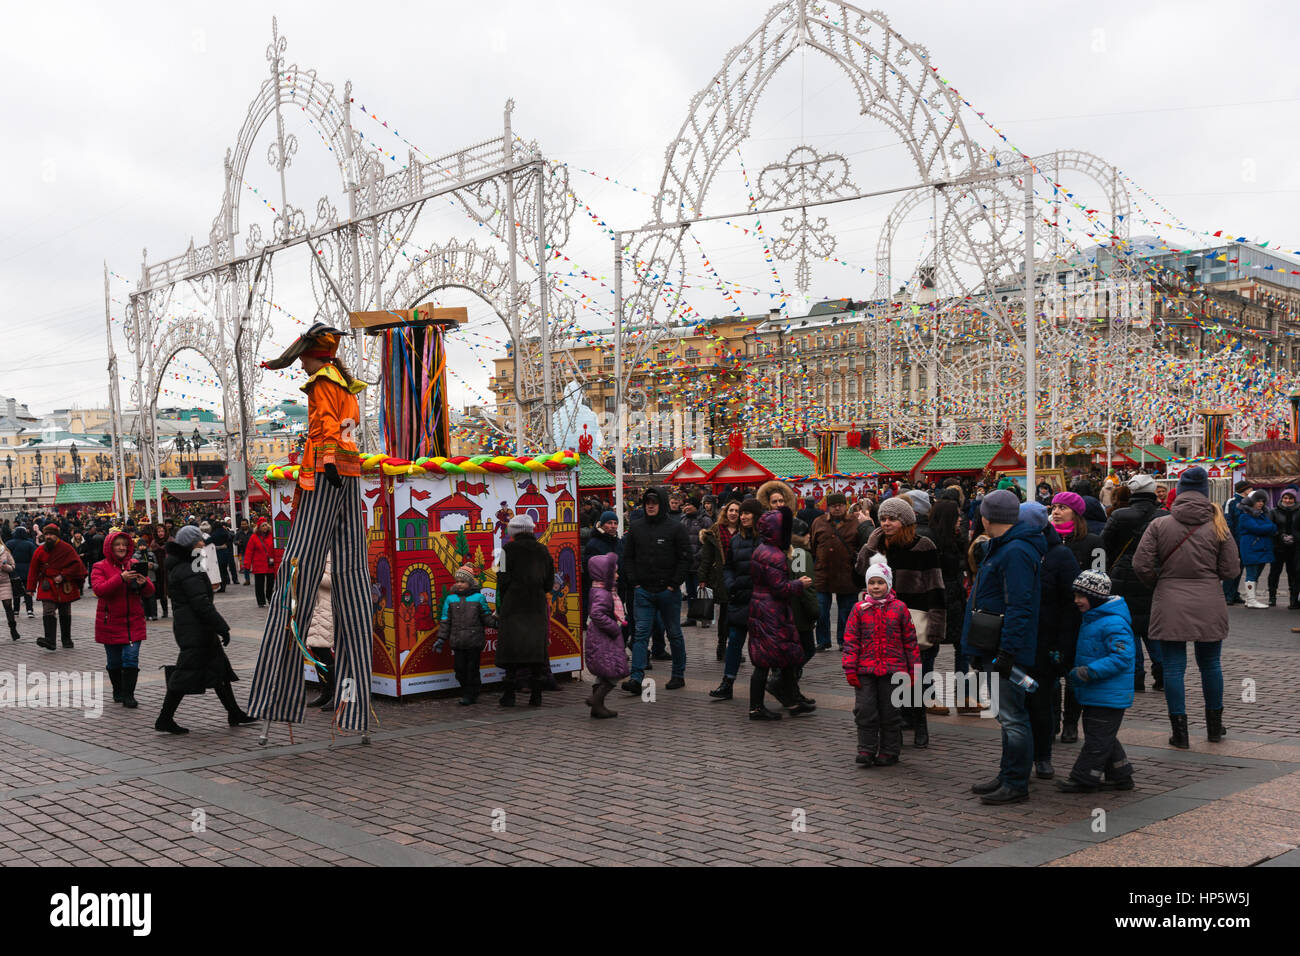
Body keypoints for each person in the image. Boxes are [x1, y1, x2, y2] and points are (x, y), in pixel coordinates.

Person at [247, 322, 374, 736]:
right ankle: (354, 708)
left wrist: (328, 464)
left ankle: (276, 699)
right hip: (349, 476)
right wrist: (340, 463)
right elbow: (346, 427)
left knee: (295, 570)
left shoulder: (322, 380)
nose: (300, 363)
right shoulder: (345, 381)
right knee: (352, 575)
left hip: (325, 473)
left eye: (302, 356)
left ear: (315, 355)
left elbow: (323, 425)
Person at [1133, 466, 1240, 749]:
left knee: (1173, 667)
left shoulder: (1160, 525)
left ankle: (1179, 731)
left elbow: (1140, 564)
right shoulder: (1218, 525)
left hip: (1170, 598)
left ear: (1178, 493)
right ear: (1205, 493)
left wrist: (1159, 581)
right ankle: (1215, 727)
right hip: (1209, 599)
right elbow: (1231, 569)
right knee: (1211, 664)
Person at [963, 489, 1045, 805]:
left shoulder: (1015, 551)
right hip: (994, 645)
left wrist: (1007, 652)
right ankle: (1007, 774)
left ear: (987, 516)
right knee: (1005, 715)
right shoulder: (1005, 547)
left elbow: (1019, 605)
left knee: (1012, 717)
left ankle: (1016, 782)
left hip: (1005, 648)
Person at [855, 495, 945, 748]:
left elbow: (935, 585)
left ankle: (920, 724)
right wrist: (870, 544)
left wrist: (937, 623)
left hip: (917, 618)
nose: (886, 523)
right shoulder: (879, 546)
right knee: (894, 676)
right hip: (885, 621)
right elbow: (859, 574)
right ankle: (902, 719)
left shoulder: (924, 545)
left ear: (905, 521)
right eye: (883, 518)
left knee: (919, 675)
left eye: (892, 519)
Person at [155, 525, 257, 733]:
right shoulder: (187, 568)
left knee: (218, 670)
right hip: (194, 630)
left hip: (197, 628)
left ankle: (234, 712)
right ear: (191, 544)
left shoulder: (188, 563)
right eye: (199, 541)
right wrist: (222, 627)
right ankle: (164, 718)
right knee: (184, 674)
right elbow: (201, 602)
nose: (203, 543)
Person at [1057, 570, 1136, 793]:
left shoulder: (1112, 623)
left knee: (1097, 739)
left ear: (1095, 597)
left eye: (1081, 596)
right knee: (1102, 735)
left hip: (1107, 693)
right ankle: (1121, 775)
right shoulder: (1095, 618)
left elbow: (1122, 656)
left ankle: (1084, 778)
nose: (1076, 601)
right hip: (1097, 691)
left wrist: (1089, 671)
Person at [1019, 502, 1080, 780]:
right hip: (1016, 639)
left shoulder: (1059, 555)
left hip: (1045, 641)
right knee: (1014, 703)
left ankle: (1043, 756)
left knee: (1041, 702)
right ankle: (1019, 757)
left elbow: (1070, 604)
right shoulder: (1013, 550)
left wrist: (1063, 646)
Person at [843, 556, 919, 765]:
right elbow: (851, 640)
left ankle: (889, 750)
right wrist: (850, 668)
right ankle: (866, 749)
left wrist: (914, 672)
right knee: (865, 710)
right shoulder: (859, 609)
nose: (876, 587)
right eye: (872, 582)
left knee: (890, 712)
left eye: (880, 582)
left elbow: (910, 642)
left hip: (893, 671)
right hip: (865, 670)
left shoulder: (900, 608)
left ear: (889, 584)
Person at [620, 487, 691, 695]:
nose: (650, 505)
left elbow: (685, 557)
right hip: (643, 591)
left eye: (654, 501)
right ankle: (636, 678)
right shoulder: (636, 527)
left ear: (662, 503)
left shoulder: (675, 528)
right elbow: (628, 557)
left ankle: (678, 674)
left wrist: (674, 583)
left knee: (674, 633)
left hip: (667, 591)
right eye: (647, 502)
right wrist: (635, 582)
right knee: (640, 635)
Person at [745, 507, 813, 720]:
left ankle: (792, 702)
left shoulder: (761, 549)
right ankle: (756, 708)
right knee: (766, 662)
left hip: (761, 607)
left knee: (783, 658)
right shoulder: (775, 555)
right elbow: (780, 588)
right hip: (772, 612)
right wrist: (799, 584)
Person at [1103, 473, 1167, 693]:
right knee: (1153, 628)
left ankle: (1135, 677)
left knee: (1129, 628)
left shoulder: (1120, 515)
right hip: (1154, 574)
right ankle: (1162, 675)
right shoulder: (1163, 515)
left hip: (1122, 575)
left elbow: (1105, 544)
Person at [90, 530, 154, 708]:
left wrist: (144, 583)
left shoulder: (134, 563)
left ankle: (129, 695)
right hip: (110, 622)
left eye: (124, 545)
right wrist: (120, 578)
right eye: (117, 544)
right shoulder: (99, 567)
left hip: (133, 621)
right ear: (110, 547)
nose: (121, 548)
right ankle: (118, 690)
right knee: (114, 662)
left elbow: (150, 592)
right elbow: (99, 589)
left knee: (131, 658)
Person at [495, 514, 554, 707]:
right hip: (536, 604)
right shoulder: (543, 550)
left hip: (513, 604)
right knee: (536, 650)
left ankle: (509, 695)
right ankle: (536, 695)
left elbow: (501, 581)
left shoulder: (506, 550)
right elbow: (549, 583)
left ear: (513, 531)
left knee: (512, 649)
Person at [710, 499, 762, 700]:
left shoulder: (764, 539)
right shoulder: (736, 540)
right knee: (734, 643)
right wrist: (731, 584)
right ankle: (727, 682)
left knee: (762, 645)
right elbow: (729, 566)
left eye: (747, 513)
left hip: (760, 600)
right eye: (742, 513)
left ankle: (770, 681)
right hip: (739, 598)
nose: (743, 517)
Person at [809, 493, 866, 652]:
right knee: (820, 610)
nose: (837, 508)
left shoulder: (855, 522)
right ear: (828, 507)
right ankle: (823, 640)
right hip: (822, 573)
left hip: (847, 573)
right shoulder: (818, 522)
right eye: (834, 505)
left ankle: (844, 640)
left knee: (846, 612)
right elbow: (813, 546)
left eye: (840, 505)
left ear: (846, 505)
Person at [435, 565, 496, 707]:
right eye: (457, 581)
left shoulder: (478, 598)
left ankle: (470, 694)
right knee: (459, 670)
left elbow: (486, 616)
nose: (459, 584)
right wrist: (441, 639)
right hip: (457, 642)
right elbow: (445, 620)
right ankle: (471, 689)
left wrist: (497, 623)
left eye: (463, 581)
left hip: (474, 642)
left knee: (472, 669)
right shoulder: (451, 599)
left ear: (470, 582)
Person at [583, 552, 629, 718]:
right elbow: (597, 613)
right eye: (614, 572)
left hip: (599, 637)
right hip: (605, 637)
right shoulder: (602, 592)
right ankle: (596, 699)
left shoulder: (599, 588)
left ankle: (598, 706)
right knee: (614, 671)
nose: (617, 575)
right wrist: (614, 628)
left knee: (603, 671)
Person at [28, 524, 86, 650]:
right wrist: (30, 588)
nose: (48, 537)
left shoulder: (67, 548)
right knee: (48, 610)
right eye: (47, 534)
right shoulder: (40, 550)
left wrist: (63, 575)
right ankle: (50, 640)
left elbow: (77, 565)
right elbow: (33, 569)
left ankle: (66, 640)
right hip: (47, 584)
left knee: (65, 612)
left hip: (64, 584)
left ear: (56, 535)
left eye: (51, 534)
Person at [698, 500, 738, 662]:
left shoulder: (745, 531)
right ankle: (722, 646)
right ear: (725, 512)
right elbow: (706, 557)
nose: (733, 513)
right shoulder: (715, 530)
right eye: (731, 510)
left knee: (738, 616)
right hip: (721, 578)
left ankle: (735, 647)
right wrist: (702, 578)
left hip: (740, 577)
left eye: (737, 511)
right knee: (725, 615)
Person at [304, 555, 336, 709]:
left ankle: (336, 693)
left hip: (327, 607)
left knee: (323, 650)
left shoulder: (330, 552)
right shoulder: (316, 550)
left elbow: (331, 581)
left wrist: (309, 570)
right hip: (315, 607)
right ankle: (326, 692)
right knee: (316, 648)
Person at [1235, 491, 1275, 609]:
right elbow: (1257, 528)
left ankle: (1250, 599)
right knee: (1251, 574)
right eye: (1258, 501)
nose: (1261, 503)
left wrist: (1268, 528)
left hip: (1261, 547)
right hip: (1251, 547)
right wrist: (1270, 527)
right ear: (1251, 502)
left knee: (1256, 574)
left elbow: (1266, 528)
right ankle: (1252, 600)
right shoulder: (1245, 515)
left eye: (1262, 501)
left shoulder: (1262, 514)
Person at [679, 497, 710, 627]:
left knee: (702, 591)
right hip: (687, 563)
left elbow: (709, 542)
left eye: (689, 505)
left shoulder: (705, 520)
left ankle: (704, 618)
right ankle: (691, 617)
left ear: (696, 506)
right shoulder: (683, 520)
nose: (686, 507)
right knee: (690, 592)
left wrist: (698, 556)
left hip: (700, 563)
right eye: (685, 505)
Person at [1268, 487, 1300, 608]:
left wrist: (1294, 537)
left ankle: (1293, 598)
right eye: (1285, 498)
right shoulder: (1274, 511)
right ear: (1281, 498)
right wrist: (1280, 536)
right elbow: (1270, 527)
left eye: (1290, 498)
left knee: (1293, 573)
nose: (1287, 501)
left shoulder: (1298, 511)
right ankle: (1272, 597)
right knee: (1275, 572)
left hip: (1294, 547)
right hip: (1278, 547)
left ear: (1294, 499)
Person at [1222, 480, 1251, 605]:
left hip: (1244, 540)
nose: (1251, 490)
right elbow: (1227, 521)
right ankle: (1227, 594)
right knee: (1232, 568)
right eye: (1249, 488)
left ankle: (1234, 593)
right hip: (1234, 540)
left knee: (1239, 569)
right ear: (1244, 489)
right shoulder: (1231, 502)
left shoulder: (1248, 503)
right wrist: (1231, 540)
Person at [244, 521, 277, 607]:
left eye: (266, 525)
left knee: (270, 583)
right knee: (259, 584)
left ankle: (270, 598)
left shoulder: (272, 536)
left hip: (270, 563)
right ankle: (261, 601)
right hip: (258, 564)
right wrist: (247, 565)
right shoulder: (254, 537)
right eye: (263, 526)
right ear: (259, 527)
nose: (265, 527)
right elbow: (249, 551)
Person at [9, 526, 35, 619]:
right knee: (28, 590)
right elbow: (34, 558)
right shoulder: (29, 544)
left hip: (14, 570)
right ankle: (30, 610)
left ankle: (16, 611)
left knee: (16, 591)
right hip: (27, 570)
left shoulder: (9, 543)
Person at [150, 524, 171, 618]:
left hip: (169, 569)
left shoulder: (171, 541)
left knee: (173, 591)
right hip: (159, 570)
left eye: (162, 531)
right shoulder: (154, 543)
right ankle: (165, 611)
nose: (161, 533)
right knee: (162, 592)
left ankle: (176, 610)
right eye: (159, 532)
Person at [0, 538, 18, 641]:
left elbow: (13, 566)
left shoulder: (5, 551)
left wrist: (6, 567)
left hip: (4, 583)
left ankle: (13, 629)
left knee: (8, 606)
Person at [234, 519, 253, 586]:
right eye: (242, 524)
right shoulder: (239, 532)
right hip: (244, 551)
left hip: (253, 551)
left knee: (256, 566)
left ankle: (258, 579)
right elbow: (234, 541)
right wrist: (238, 542)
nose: (243, 525)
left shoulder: (252, 531)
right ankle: (247, 580)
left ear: (248, 524)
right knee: (246, 567)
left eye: (245, 524)